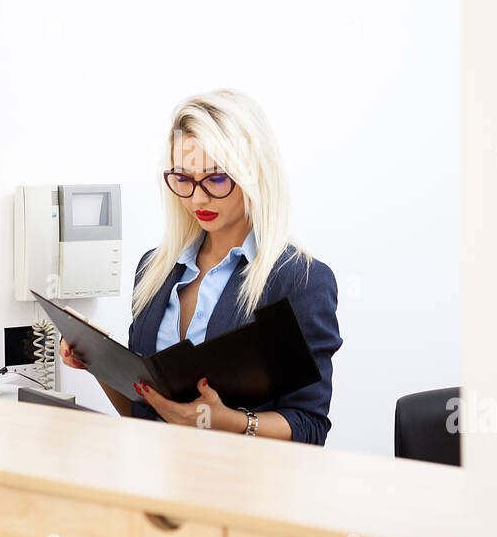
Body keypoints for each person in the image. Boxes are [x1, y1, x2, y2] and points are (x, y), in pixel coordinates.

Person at [60, 89, 342, 444]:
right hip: (157, 478)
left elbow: (309, 427)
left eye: (217, 179)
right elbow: (143, 413)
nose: (198, 197)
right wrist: (97, 361)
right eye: (183, 179)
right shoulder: (154, 270)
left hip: (242, 488)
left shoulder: (300, 280)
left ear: (254, 175)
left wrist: (231, 421)